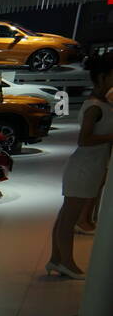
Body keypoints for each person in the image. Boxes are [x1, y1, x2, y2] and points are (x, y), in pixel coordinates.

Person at [49, 53, 113, 280]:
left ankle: (56, 259)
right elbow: (84, 139)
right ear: (103, 77)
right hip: (84, 167)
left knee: (65, 215)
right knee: (69, 217)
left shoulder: (102, 104)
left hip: (88, 166)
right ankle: (66, 262)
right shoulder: (96, 106)